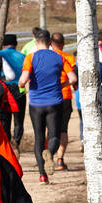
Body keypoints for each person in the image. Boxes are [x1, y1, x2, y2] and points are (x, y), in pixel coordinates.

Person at [18, 29, 73, 183]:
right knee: (54, 135)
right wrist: (62, 84)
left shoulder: (31, 57)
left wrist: (21, 84)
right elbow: (73, 78)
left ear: (36, 42)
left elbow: (23, 80)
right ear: (50, 42)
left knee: (39, 138)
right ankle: (50, 152)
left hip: (36, 103)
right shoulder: (59, 57)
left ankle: (43, 175)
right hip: (55, 101)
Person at [49, 32, 77, 171]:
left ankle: (49, 157)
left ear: (50, 43)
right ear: (63, 43)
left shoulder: (46, 57)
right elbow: (74, 77)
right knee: (63, 129)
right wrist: (64, 85)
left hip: (49, 97)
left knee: (50, 128)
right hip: (65, 96)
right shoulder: (69, 57)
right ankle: (60, 160)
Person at [0, 33, 27, 148]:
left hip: (4, 89)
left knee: (6, 118)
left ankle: (7, 143)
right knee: (19, 120)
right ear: (16, 44)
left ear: (3, 44)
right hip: (19, 89)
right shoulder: (22, 56)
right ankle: (17, 143)